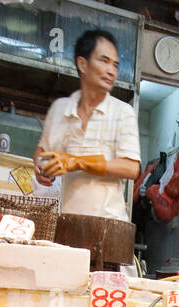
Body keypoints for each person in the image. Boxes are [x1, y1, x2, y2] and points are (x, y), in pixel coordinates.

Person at [34, 30, 141, 220]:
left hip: (109, 223)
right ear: (83, 64)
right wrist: (41, 167)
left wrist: (77, 162)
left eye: (115, 65)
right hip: (69, 219)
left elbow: (131, 168)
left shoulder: (123, 112)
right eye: (104, 61)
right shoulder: (60, 109)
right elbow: (43, 151)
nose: (111, 71)